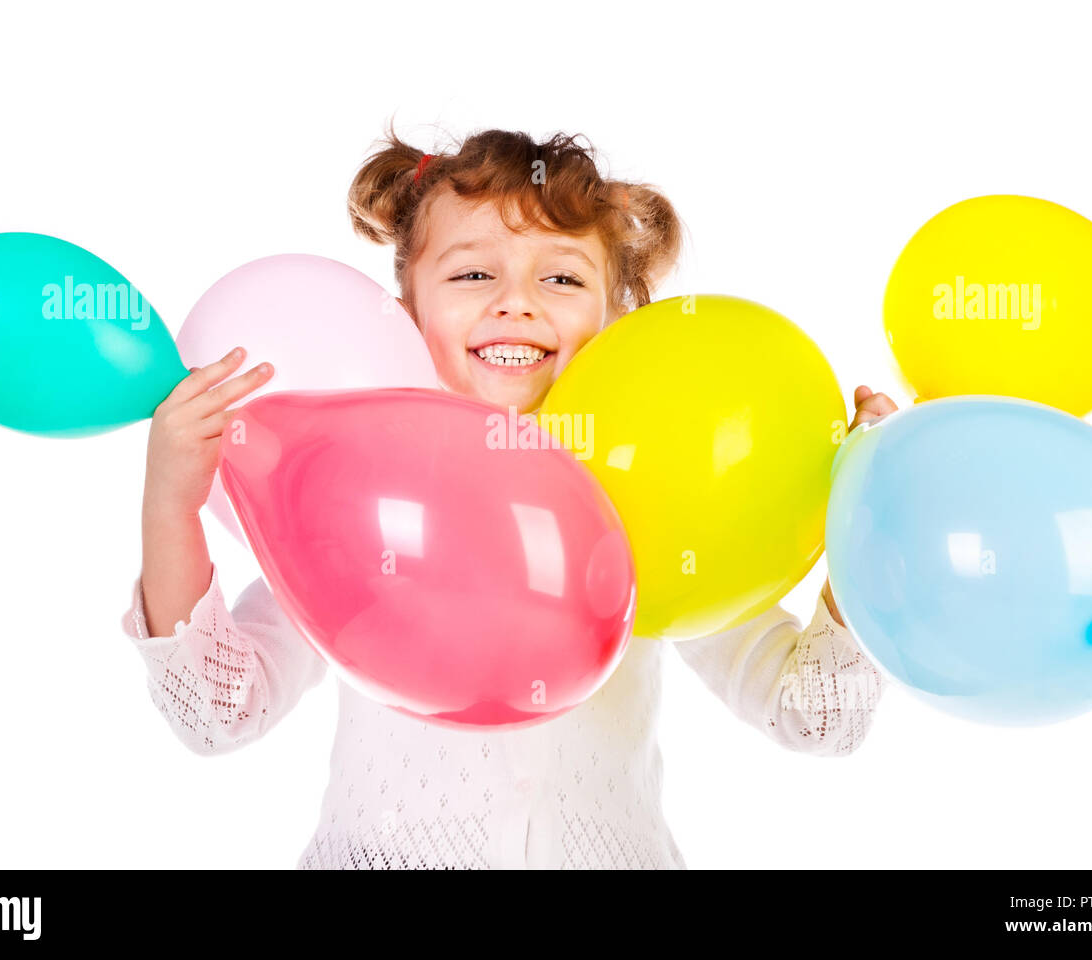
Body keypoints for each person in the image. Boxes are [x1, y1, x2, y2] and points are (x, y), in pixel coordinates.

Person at [122, 126, 895, 869]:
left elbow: (818, 716)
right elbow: (216, 712)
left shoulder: (657, 502)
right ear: (404, 315)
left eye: (561, 277)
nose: (517, 302)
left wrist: (869, 512)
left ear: (617, 320)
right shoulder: (356, 513)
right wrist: (170, 506)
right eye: (471, 273)